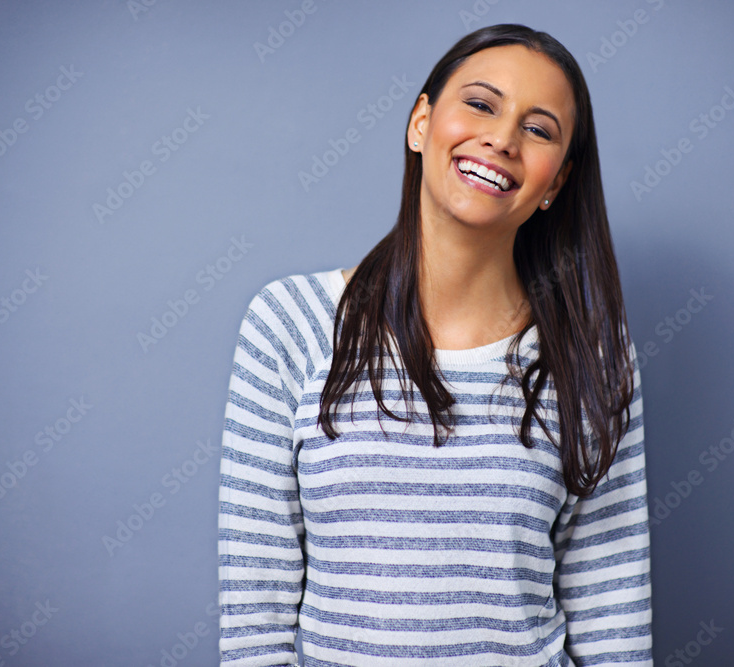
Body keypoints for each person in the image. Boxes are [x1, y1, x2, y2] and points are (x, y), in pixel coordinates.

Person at [218, 23, 651, 666]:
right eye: (480, 104)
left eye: (538, 130)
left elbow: (613, 611)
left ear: (556, 182)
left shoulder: (592, 353)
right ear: (420, 123)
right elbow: (255, 619)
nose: (502, 139)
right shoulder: (290, 323)